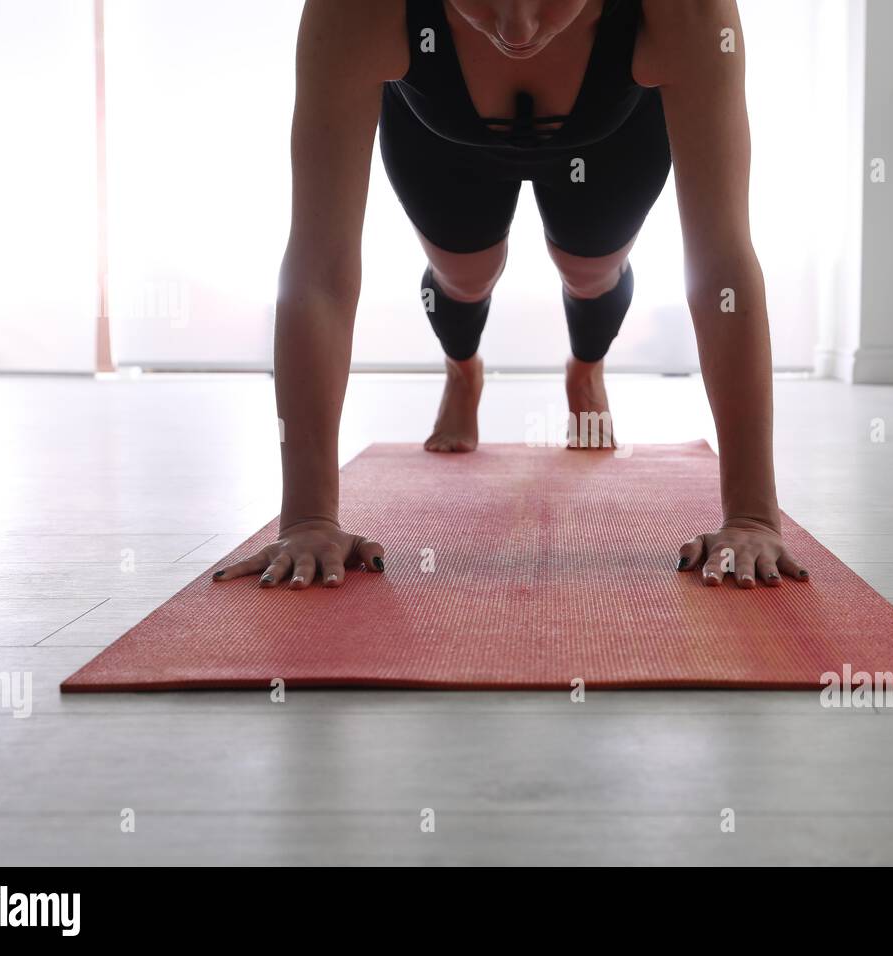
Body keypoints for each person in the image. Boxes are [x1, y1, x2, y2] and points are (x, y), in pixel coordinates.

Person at [213, 0, 810, 591]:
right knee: (464, 277)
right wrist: (308, 518)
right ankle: (462, 369)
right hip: (443, 138)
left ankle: (586, 367)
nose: (515, 29)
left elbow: (722, 264)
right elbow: (320, 268)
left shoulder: (685, 12)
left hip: (610, 135)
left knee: (590, 273)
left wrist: (752, 516)